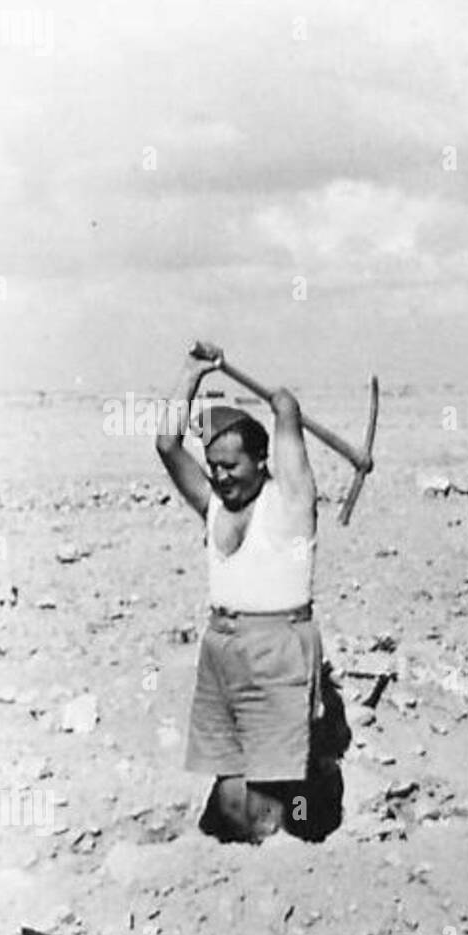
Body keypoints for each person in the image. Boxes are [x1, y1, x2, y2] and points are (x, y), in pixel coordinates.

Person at [155, 348, 329, 843]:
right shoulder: (213, 504)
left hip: (277, 647)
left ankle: (306, 823)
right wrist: (192, 372)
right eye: (214, 466)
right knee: (230, 792)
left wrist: (283, 405)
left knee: (272, 795)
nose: (222, 476)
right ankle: (254, 853)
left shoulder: (291, 502)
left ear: (260, 460)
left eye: (232, 466)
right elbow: (167, 444)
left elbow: (287, 417)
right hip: (222, 649)